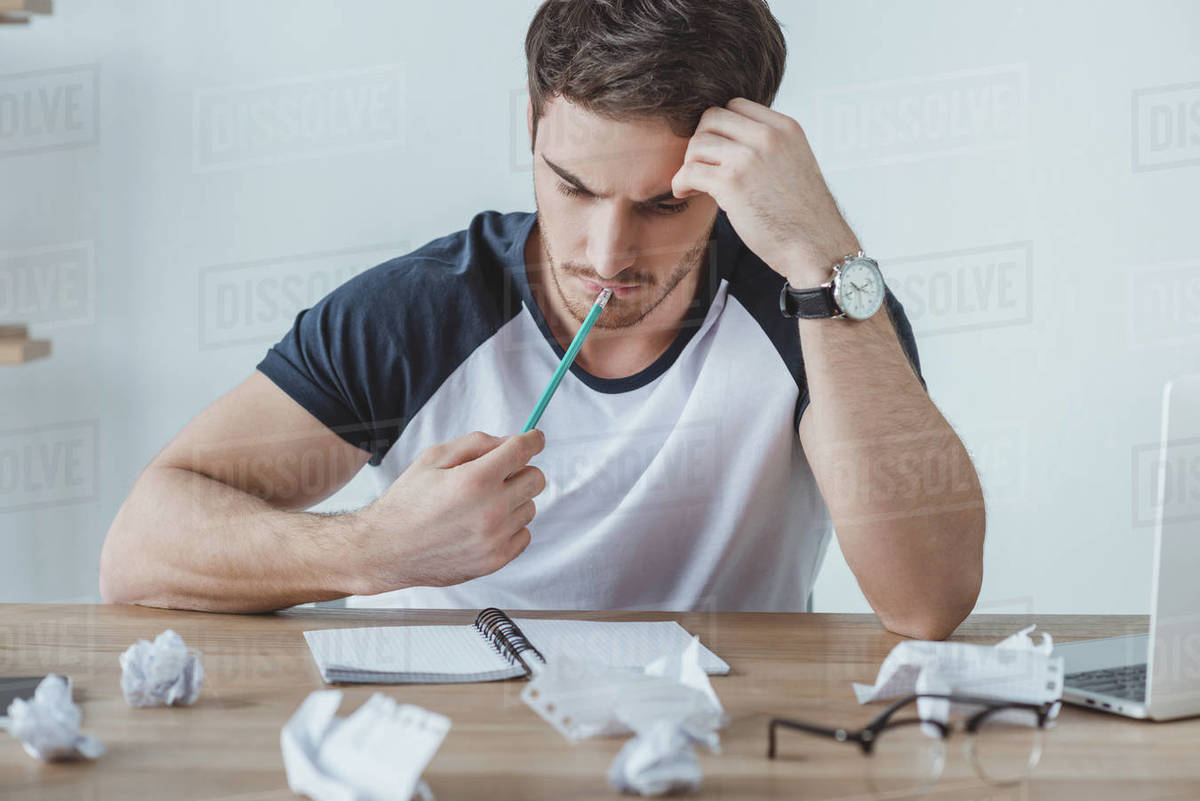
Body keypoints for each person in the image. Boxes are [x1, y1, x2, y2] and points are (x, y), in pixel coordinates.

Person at [100, 0, 984, 639]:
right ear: (532, 126)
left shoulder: (819, 304)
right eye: (573, 187)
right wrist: (376, 548)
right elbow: (139, 550)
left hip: (726, 749)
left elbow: (929, 602)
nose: (608, 253)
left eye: (664, 204)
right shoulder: (420, 311)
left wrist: (826, 254)